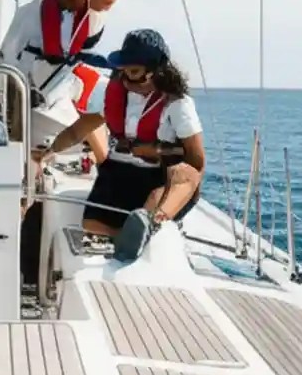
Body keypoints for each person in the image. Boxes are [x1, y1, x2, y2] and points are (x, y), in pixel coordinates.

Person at [32, 29, 205, 236]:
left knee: (183, 176)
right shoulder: (118, 96)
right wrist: (48, 151)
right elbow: (77, 131)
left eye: (133, 71)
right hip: (120, 174)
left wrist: (157, 151)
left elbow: (197, 162)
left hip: (156, 176)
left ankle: (149, 222)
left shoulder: (178, 104)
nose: (125, 79)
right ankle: (131, 235)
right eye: (123, 70)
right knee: (91, 224)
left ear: (156, 70)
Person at [0, 0, 118, 163]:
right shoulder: (29, 14)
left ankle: (106, 165)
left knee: (102, 101)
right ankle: (22, 159)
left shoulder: (88, 12)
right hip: (29, 84)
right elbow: (7, 55)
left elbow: (89, 39)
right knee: (19, 112)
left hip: (65, 80)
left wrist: (98, 8)